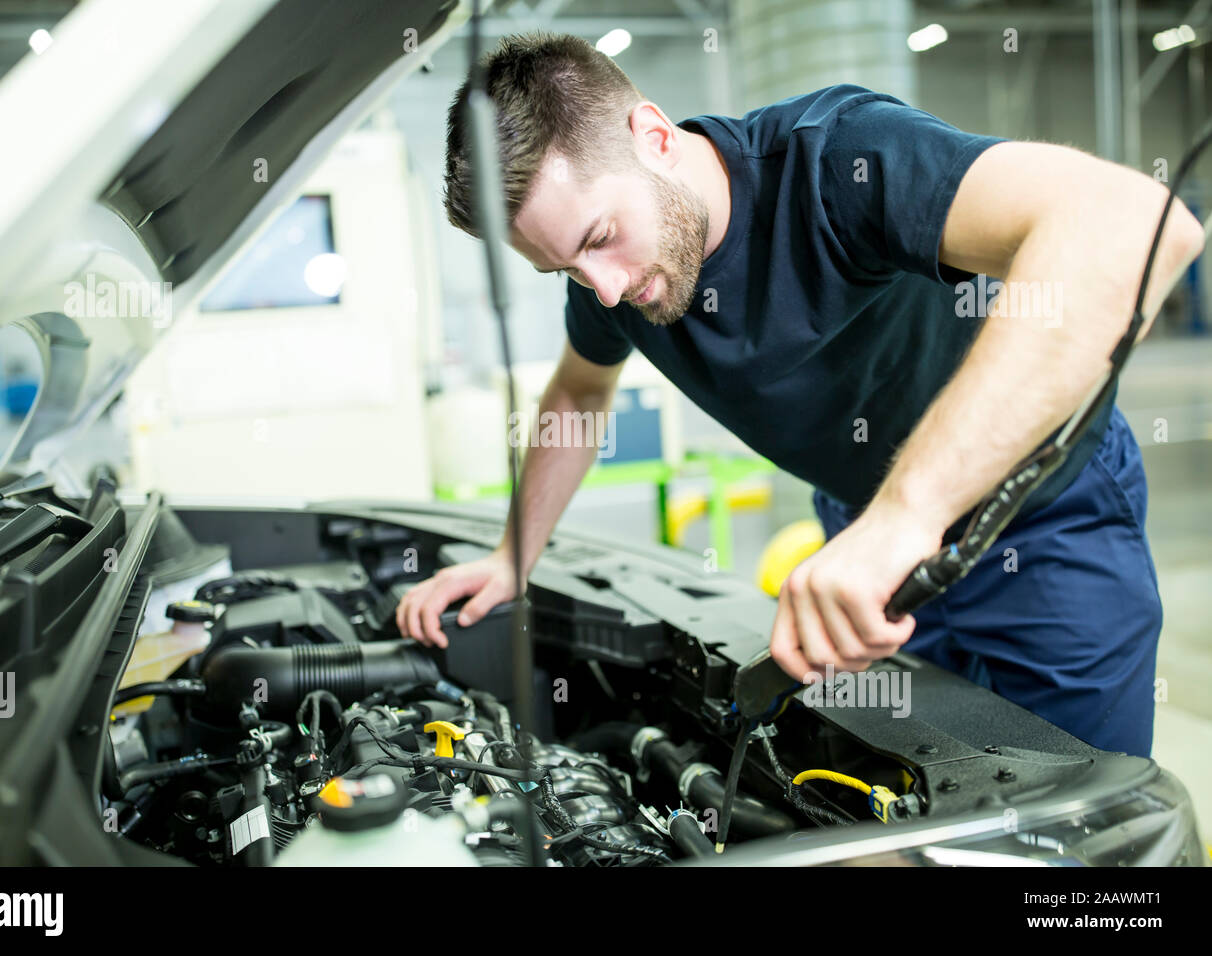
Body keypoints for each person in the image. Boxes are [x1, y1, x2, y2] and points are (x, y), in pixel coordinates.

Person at [398, 33, 1204, 757]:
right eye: (564, 270)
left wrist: (905, 517)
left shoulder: (837, 161)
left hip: (1042, 522)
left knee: (1077, 828)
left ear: (652, 136)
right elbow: (578, 393)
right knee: (902, 796)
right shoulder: (616, 284)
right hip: (866, 544)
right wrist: (513, 557)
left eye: (600, 239)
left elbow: (1138, 222)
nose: (602, 291)